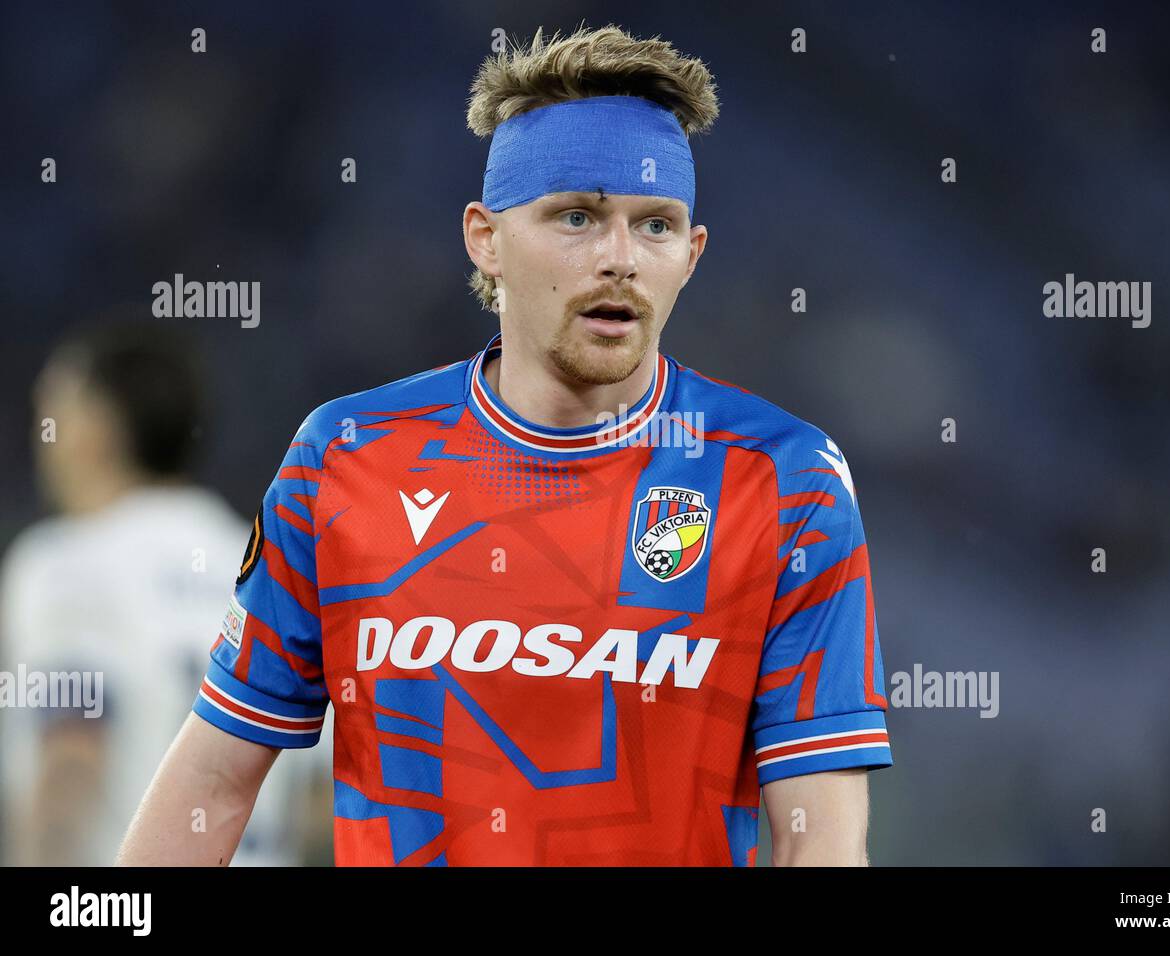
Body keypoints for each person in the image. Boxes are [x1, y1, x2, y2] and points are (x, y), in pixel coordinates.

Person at [118, 23, 892, 867]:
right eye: (577, 217)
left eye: (657, 226)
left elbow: (820, 839)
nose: (621, 259)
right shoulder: (344, 457)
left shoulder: (784, 483)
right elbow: (215, 781)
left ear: (693, 253)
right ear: (485, 237)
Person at [0, 319, 329, 866]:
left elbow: (72, 755)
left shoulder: (65, 564)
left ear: (96, 427)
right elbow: (321, 796)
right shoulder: (267, 561)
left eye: (53, 407)